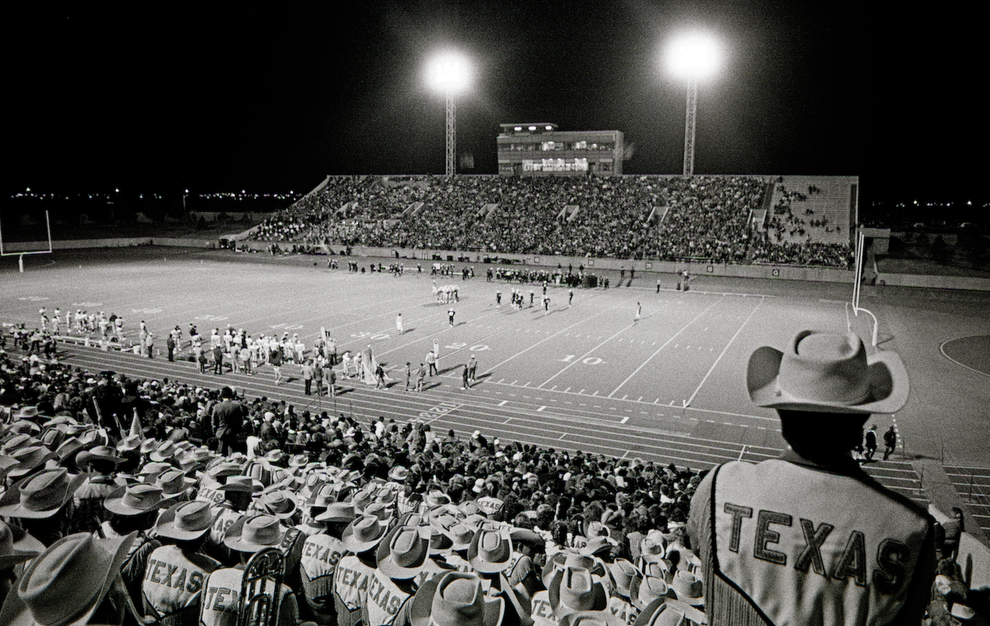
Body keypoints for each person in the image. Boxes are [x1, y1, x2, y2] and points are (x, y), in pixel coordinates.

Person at [687, 329, 936, 625]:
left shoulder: (719, 487)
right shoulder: (912, 530)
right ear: (863, 418)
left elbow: (700, 552)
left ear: (781, 414)